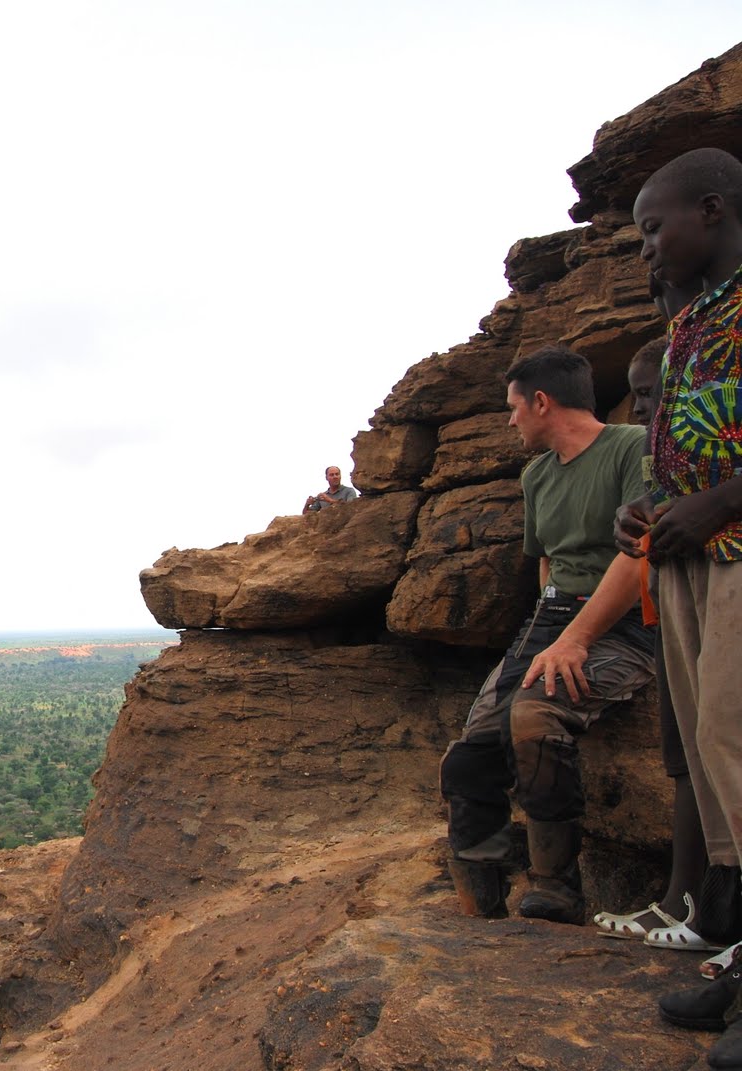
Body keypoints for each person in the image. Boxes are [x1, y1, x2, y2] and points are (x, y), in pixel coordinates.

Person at [440, 345, 654, 925]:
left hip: (626, 621)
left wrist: (576, 638)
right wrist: (547, 631)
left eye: (513, 407)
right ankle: (482, 896)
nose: (510, 420)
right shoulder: (536, 476)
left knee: (533, 719)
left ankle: (556, 888)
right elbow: (546, 566)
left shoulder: (632, 448)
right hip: (554, 618)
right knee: (470, 752)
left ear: (541, 401)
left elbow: (640, 557)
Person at [612, 147, 742, 1064]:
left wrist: (723, 500)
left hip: (736, 549)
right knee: (713, 755)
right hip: (689, 560)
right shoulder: (696, 317)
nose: (647, 250)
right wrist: (654, 507)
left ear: (714, 209)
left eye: (655, 230)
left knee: (739, 740)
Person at [593, 331, 713, 950]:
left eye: (649, 395)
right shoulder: (660, 461)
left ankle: (693, 905)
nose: (639, 409)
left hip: (695, 612)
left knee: (704, 756)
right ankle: (686, 904)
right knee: (686, 760)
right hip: (666, 614)